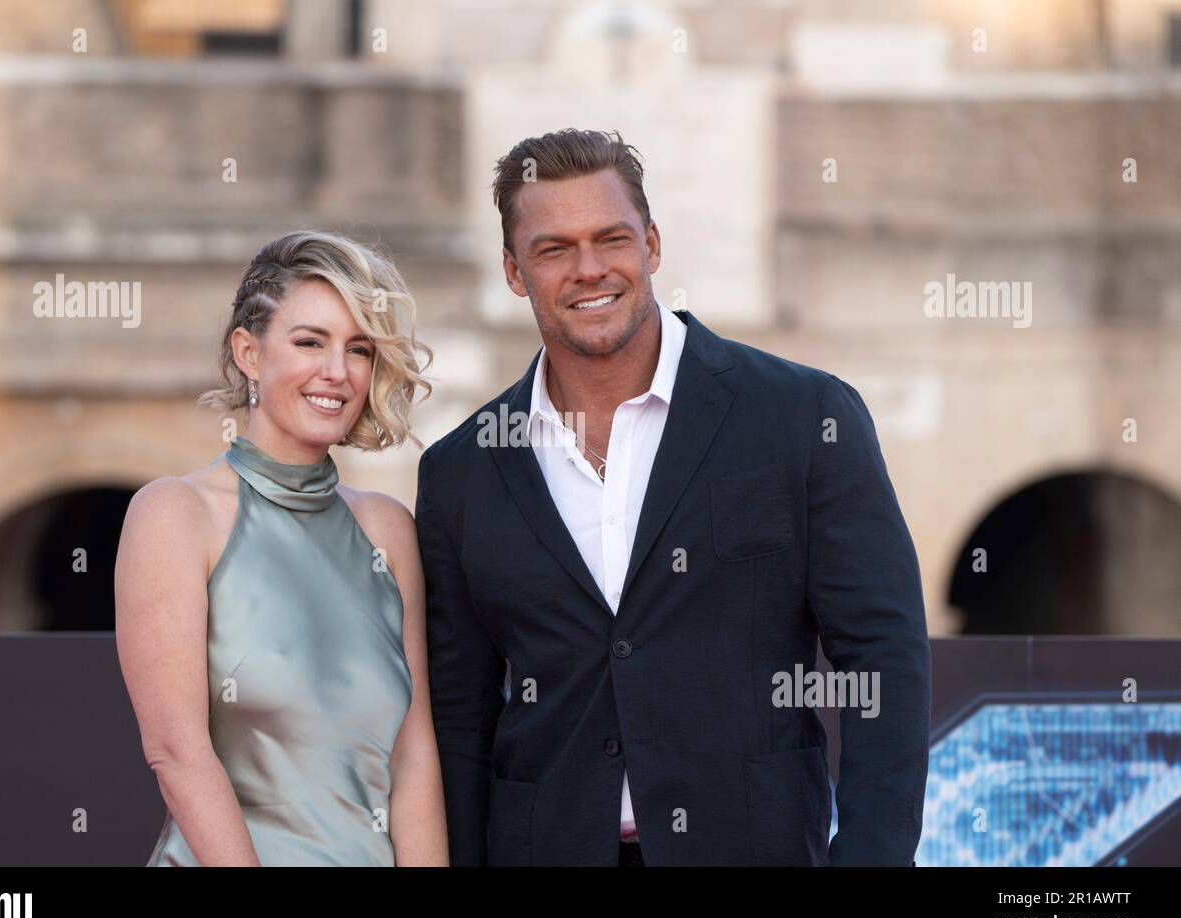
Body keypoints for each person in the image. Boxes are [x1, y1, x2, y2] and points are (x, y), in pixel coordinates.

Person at [416, 129, 930, 867]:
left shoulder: (803, 417)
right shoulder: (460, 470)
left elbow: (881, 658)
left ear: (652, 244)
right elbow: (459, 719)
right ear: (513, 269)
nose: (589, 269)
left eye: (611, 238)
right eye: (554, 248)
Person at [115, 230, 448, 866]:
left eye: (358, 349)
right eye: (308, 342)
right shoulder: (174, 515)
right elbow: (177, 751)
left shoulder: (387, 530)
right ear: (248, 351)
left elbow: (413, 753)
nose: (336, 372)